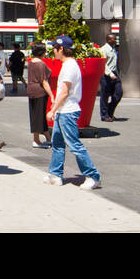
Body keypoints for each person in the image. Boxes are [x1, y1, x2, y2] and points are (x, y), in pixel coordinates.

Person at [43, 35, 101, 190]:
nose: (53, 52)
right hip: (64, 110)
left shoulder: (69, 66)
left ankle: (93, 176)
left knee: (74, 145)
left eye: (54, 48)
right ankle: (55, 175)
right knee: (58, 144)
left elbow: (65, 92)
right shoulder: (69, 65)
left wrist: (52, 109)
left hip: (67, 111)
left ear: (61, 49)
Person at [26, 42, 53, 147]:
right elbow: (44, 82)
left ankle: (47, 138)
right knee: (39, 116)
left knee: (36, 115)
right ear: (42, 52)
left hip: (31, 90)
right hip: (39, 91)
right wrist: (52, 95)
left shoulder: (31, 62)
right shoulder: (40, 64)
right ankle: (36, 140)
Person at [97, 35, 121, 121]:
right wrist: (110, 74)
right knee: (105, 95)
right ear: (108, 40)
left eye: (115, 38)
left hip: (115, 73)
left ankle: (110, 111)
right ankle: (104, 115)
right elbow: (103, 64)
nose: (115, 40)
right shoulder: (103, 49)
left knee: (119, 93)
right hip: (106, 74)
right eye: (113, 39)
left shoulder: (114, 49)